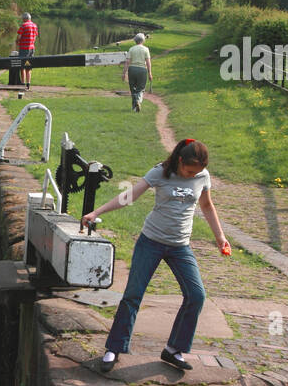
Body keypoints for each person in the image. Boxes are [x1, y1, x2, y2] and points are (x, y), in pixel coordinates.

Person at [80, 138, 231, 373]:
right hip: (151, 242)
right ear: (180, 161)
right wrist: (97, 212)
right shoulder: (160, 172)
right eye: (189, 171)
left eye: (197, 172)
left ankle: (174, 349)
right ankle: (114, 349)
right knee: (133, 295)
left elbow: (207, 206)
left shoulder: (203, 176)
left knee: (196, 295)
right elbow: (129, 196)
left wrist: (220, 237)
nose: (193, 176)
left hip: (180, 246)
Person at [124, 32, 153, 112]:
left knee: (133, 88)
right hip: (142, 70)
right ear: (143, 40)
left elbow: (127, 62)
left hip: (132, 69)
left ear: (135, 40)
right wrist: (150, 73)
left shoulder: (131, 49)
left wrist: (124, 73)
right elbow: (148, 62)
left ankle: (134, 107)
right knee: (140, 88)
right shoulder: (146, 49)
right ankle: (138, 101)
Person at [17, 12, 38, 89]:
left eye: (23, 19)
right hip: (31, 48)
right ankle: (28, 83)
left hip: (23, 48)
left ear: (25, 19)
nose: (22, 20)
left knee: (22, 66)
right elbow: (35, 36)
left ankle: (23, 83)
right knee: (28, 66)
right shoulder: (34, 25)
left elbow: (19, 36)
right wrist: (31, 43)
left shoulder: (23, 25)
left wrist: (17, 41)